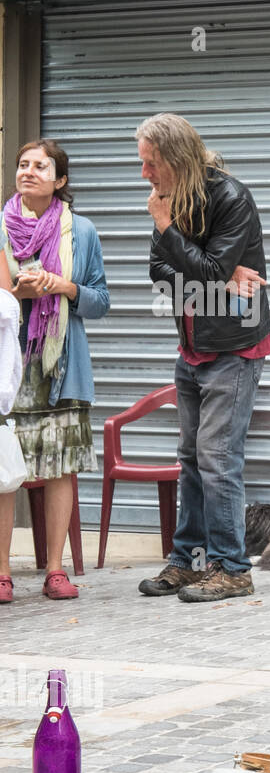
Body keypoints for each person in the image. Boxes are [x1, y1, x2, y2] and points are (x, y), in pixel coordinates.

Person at [134, 113, 270, 603]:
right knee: (192, 459)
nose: (145, 175)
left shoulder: (230, 197)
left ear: (174, 159)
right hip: (193, 345)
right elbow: (158, 270)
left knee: (217, 458)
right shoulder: (168, 199)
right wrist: (209, 273)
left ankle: (232, 568)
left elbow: (209, 270)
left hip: (233, 348)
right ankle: (188, 561)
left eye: (151, 164)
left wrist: (174, 234)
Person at [0, 140, 110, 603]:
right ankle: (2, 572)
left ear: (59, 180)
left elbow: (100, 301)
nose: (28, 172)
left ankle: (55, 571)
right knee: (4, 471)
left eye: (40, 166)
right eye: (23, 165)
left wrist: (64, 287)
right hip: (9, 366)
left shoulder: (81, 232)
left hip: (61, 364)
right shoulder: (1, 231)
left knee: (63, 467)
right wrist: (20, 295)